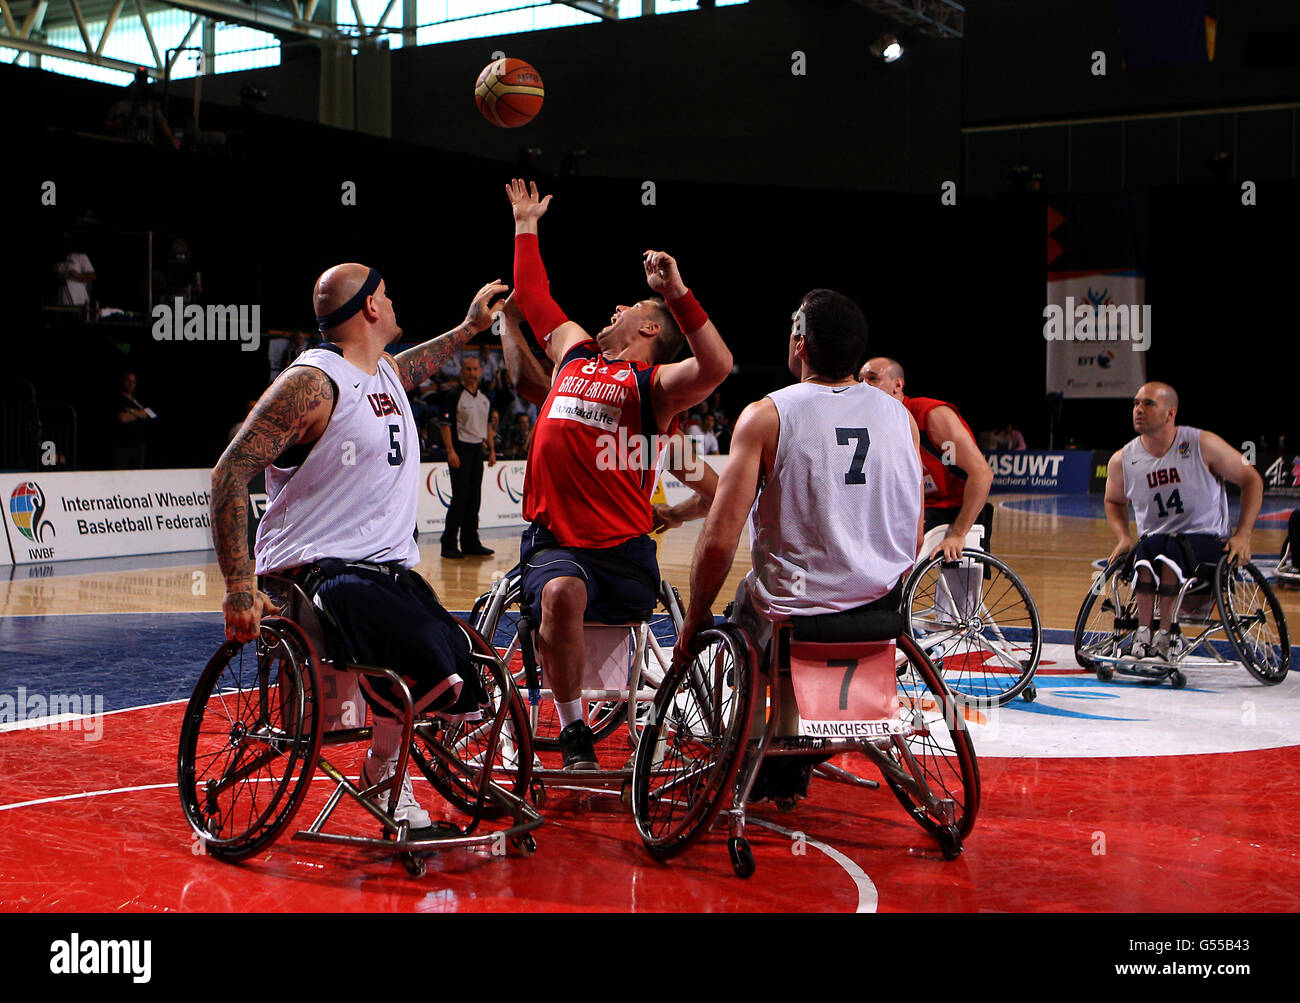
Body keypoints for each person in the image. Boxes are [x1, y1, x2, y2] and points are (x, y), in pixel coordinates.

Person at [209, 262, 507, 830]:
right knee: (424, 654)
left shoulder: (384, 370)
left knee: (461, 655)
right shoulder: (311, 383)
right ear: (370, 306)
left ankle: (382, 770)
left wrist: (469, 328)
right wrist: (238, 588)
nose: (393, 302)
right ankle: (391, 771)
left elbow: (418, 362)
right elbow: (229, 473)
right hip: (318, 572)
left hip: (384, 572)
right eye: (386, 294)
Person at [505, 178, 732, 770]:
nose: (611, 311)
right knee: (559, 592)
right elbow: (533, 297)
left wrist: (678, 292)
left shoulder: (653, 392)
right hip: (557, 546)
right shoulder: (576, 353)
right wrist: (526, 225)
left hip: (627, 557)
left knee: (577, 591)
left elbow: (718, 365)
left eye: (625, 309)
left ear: (650, 329)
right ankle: (577, 733)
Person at [675, 290, 924, 802]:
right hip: (882, 611)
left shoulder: (767, 415)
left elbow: (721, 540)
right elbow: (914, 533)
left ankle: (760, 752)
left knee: (742, 609)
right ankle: (800, 751)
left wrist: (694, 617)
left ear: (800, 343)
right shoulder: (903, 420)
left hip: (796, 615)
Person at [1103, 382, 1262, 660]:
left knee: (1169, 549)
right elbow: (1114, 501)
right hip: (1155, 543)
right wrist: (1123, 536)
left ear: (1170, 413)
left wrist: (1243, 534)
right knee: (1147, 548)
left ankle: (1165, 635)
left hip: (1206, 541)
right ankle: (1142, 635)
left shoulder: (1202, 444)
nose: (1139, 409)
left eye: (1148, 403)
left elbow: (1252, 480)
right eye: (1136, 403)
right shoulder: (1123, 459)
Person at [860, 357, 995, 559]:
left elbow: (982, 474)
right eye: (860, 380)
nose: (864, 386)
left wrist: (958, 534)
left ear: (898, 384)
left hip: (956, 510)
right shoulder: (873, 424)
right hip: (918, 510)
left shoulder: (930, 414)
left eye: (872, 378)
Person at [439, 351, 497, 558]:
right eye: (469, 369)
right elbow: (445, 426)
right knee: (460, 498)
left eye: (475, 369)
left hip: (477, 451)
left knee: (474, 499)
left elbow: (488, 425)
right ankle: (448, 544)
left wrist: (491, 450)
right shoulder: (454, 395)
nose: (472, 373)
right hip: (460, 449)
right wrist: (450, 451)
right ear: (462, 372)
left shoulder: (484, 398)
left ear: (480, 372)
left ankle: (471, 542)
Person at [111, 371, 155, 469]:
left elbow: (151, 414)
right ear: (123, 382)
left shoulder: (138, 400)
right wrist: (140, 414)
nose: (131, 384)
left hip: (139, 445)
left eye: (133, 382)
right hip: (122, 446)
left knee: (138, 475)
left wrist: (131, 411)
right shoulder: (117, 399)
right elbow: (122, 418)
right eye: (128, 381)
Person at [54, 234, 96, 309]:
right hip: (61, 302)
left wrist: (77, 275)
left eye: (67, 241)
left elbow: (93, 276)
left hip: (78, 301)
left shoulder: (80, 257)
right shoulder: (57, 261)